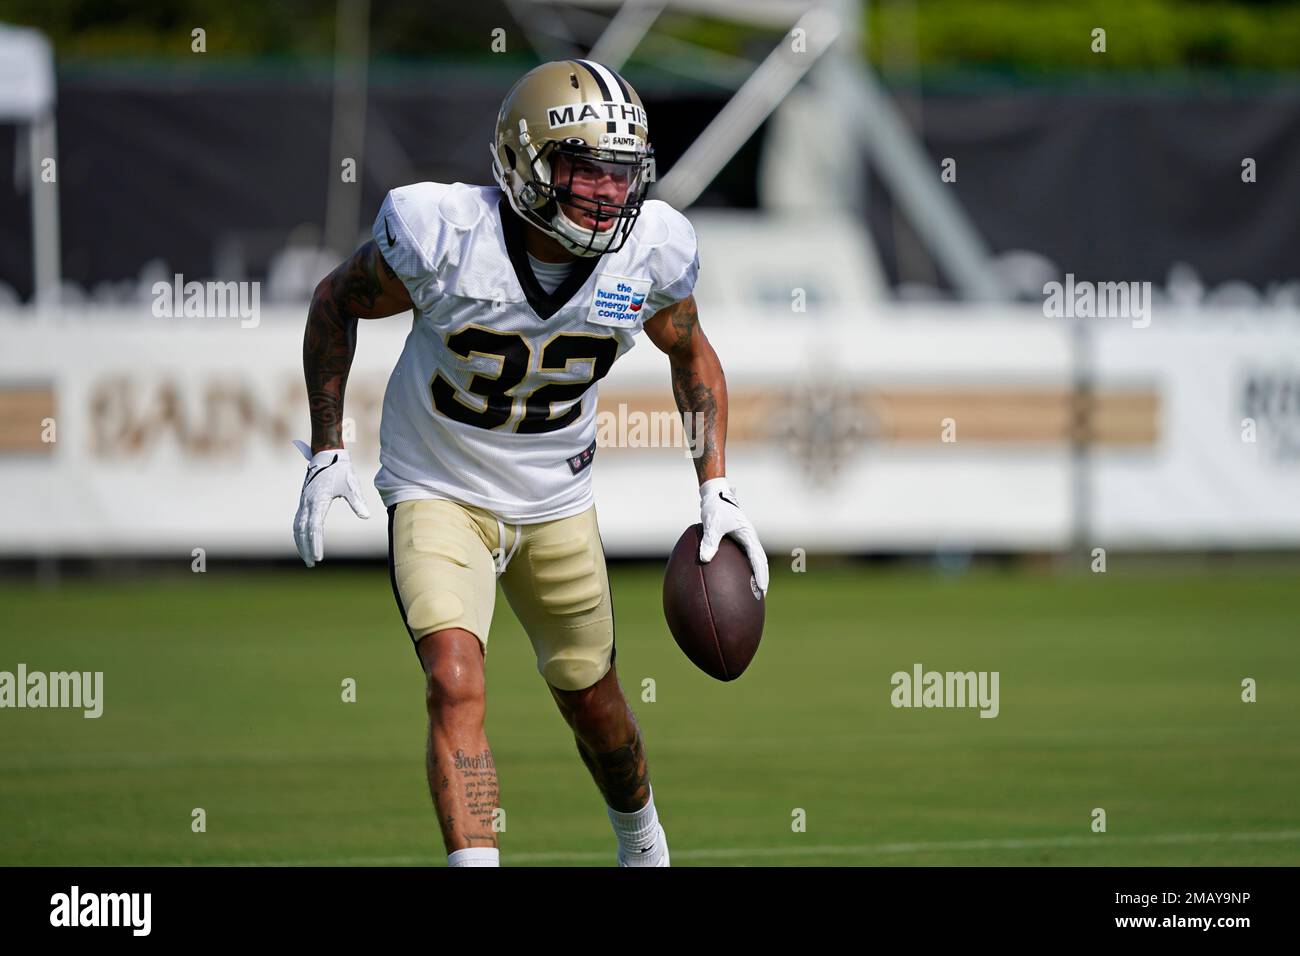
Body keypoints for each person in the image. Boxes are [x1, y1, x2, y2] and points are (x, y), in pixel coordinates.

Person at [293, 58, 768, 867]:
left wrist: (716, 486)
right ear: (523, 163)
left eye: (622, 174)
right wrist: (328, 447)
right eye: (584, 168)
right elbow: (335, 300)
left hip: (557, 502)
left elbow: (693, 356)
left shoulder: (646, 254)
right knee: (454, 679)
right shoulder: (445, 236)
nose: (608, 192)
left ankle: (645, 850)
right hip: (438, 488)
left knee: (595, 705)